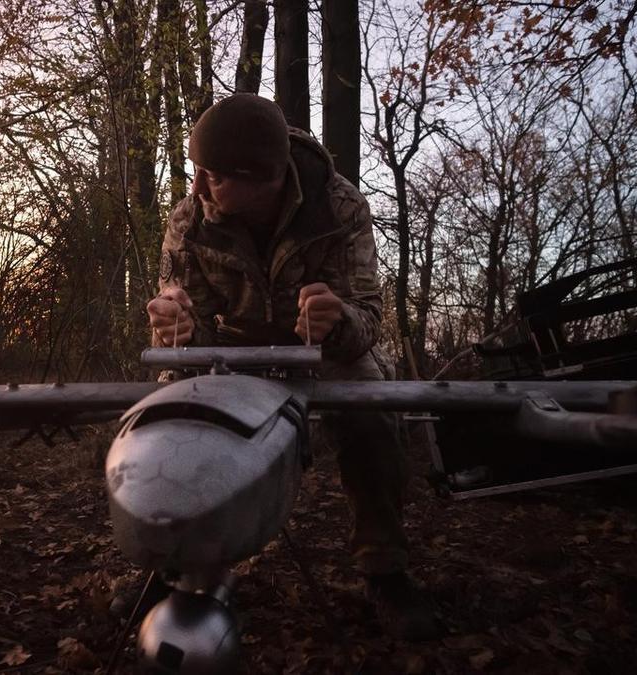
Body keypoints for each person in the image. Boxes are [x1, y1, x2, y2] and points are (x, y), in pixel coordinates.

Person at [145, 93, 441, 640]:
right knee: (170, 410)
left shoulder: (340, 208)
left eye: (214, 176)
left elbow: (368, 317)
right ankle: (174, 564)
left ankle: (385, 569)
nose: (199, 187)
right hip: (231, 349)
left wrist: (337, 320)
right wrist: (175, 325)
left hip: (322, 351)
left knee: (372, 407)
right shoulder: (190, 219)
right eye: (198, 170)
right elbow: (185, 320)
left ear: (265, 178)